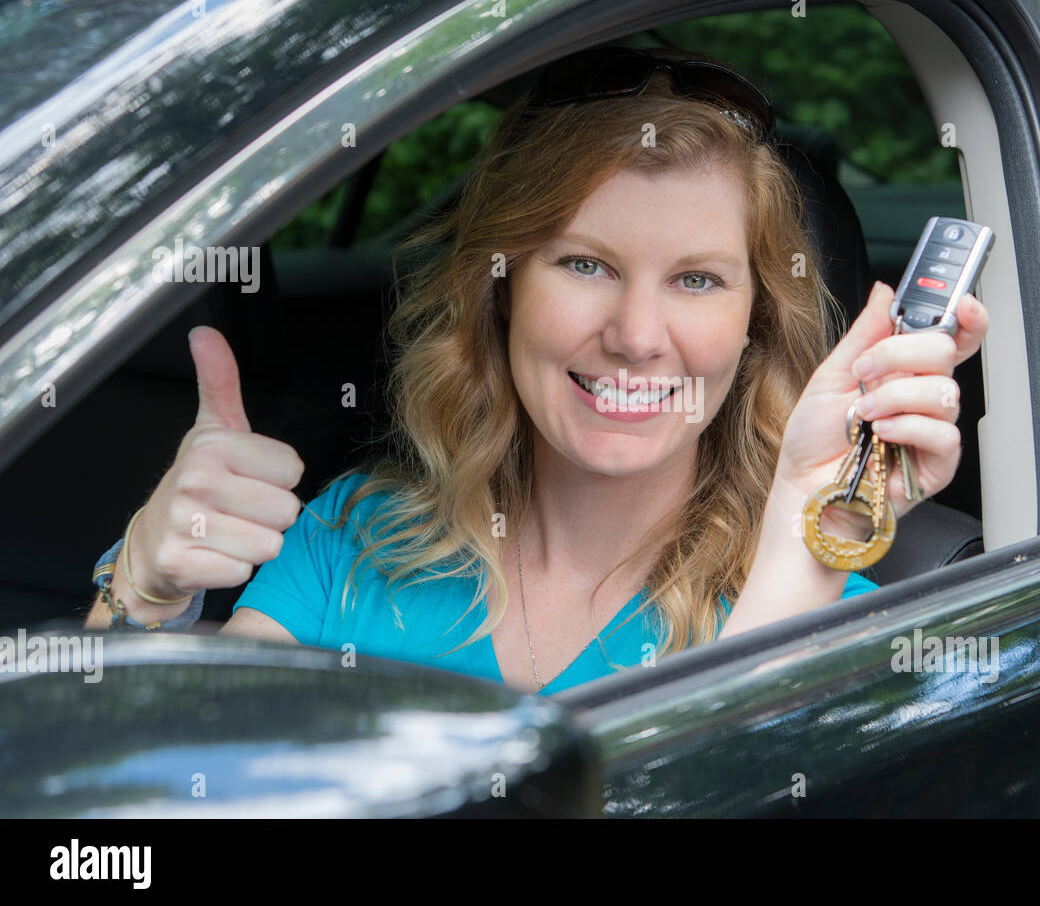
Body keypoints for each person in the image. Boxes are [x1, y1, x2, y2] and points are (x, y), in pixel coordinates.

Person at [86, 46, 989, 695]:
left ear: (754, 323)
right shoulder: (358, 537)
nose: (638, 336)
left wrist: (802, 534)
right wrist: (144, 594)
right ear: (501, 287)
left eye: (697, 279)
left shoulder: (822, 607)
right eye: (584, 263)